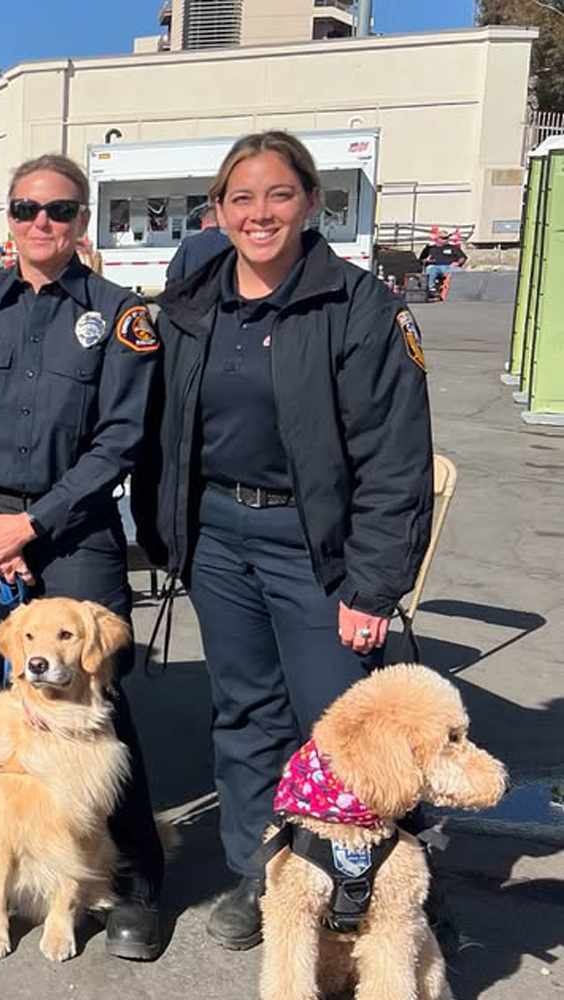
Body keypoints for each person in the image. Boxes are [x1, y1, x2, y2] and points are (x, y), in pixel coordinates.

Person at [133, 131, 434, 950]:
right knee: (247, 712)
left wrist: (373, 587)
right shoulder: (195, 297)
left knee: (341, 721)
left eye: (277, 195)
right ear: (218, 211)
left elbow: (395, 457)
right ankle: (260, 869)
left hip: (317, 544)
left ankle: (366, 875)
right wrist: (166, 527)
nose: (259, 212)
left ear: (310, 202)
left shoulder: (359, 305)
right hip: (219, 534)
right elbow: (164, 418)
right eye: (241, 198)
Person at [0, 153, 168, 961]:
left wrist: (31, 526)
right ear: (9, 216)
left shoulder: (120, 314)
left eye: (60, 211)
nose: (42, 224)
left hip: (73, 532)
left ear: (82, 221)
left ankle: (130, 873)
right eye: (27, 209)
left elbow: (122, 438)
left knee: (97, 699)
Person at [165, 202, 231, 285]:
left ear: (203, 221)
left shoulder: (188, 243)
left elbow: (173, 273)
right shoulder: (230, 243)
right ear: (220, 222)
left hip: (194, 295)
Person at [418, 229, 467, 297]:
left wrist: (458, 263)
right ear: (437, 238)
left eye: (447, 238)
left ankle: (460, 290)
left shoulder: (453, 248)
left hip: (450, 267)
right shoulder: (430, 248)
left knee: (461, 271)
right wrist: (426, 260)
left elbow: (463, 258)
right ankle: (431, 289)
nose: (446, 239)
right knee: (431, 269)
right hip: (435, 266)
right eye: (443, 238)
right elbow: (421, 260)